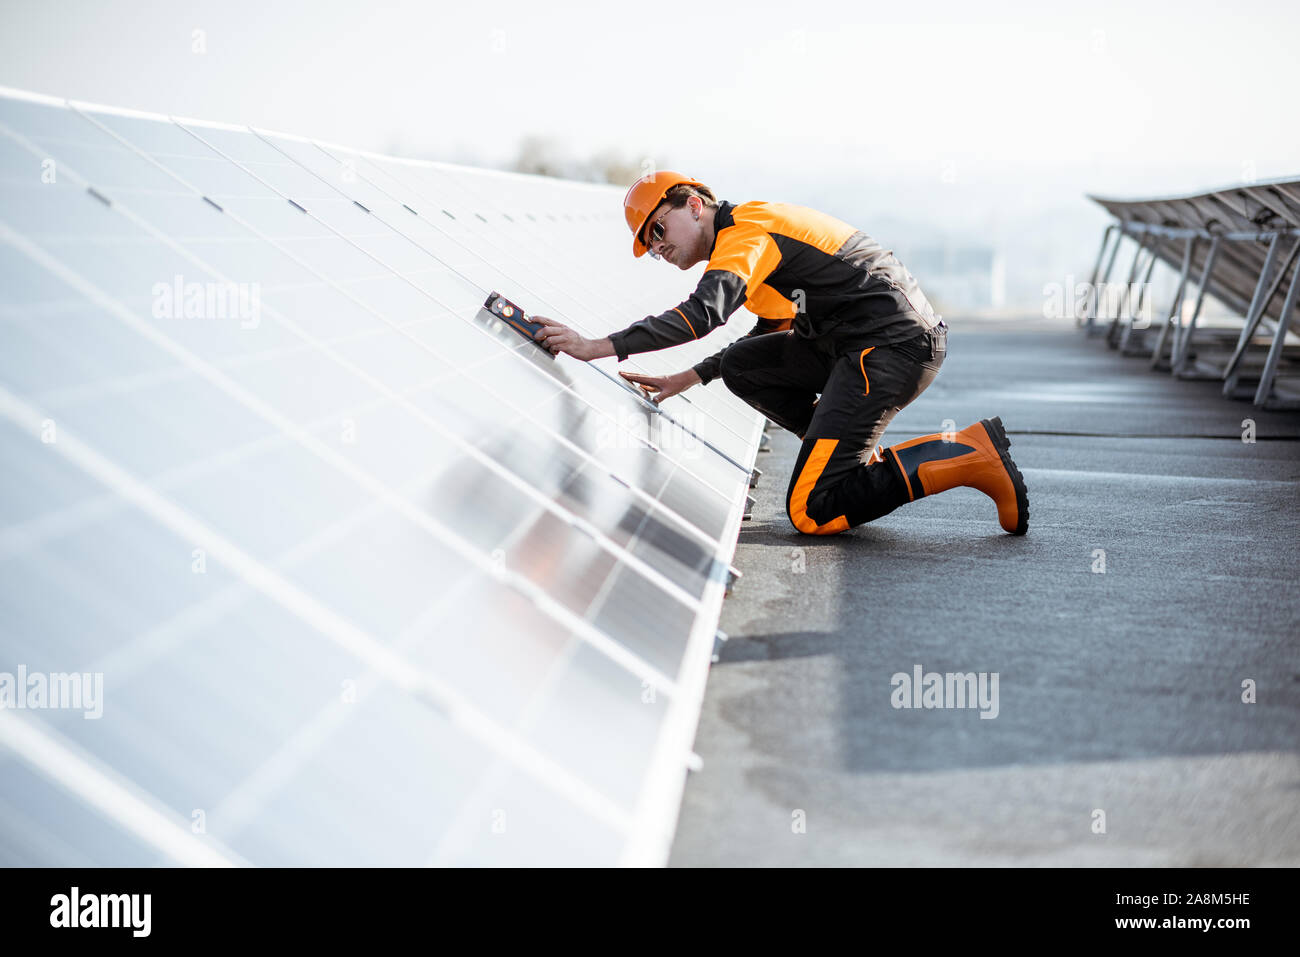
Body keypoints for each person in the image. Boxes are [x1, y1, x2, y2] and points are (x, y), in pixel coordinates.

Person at [533, 171, 1028, 536]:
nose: (657, 248)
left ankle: (965, 454)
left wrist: (595, 347)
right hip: (852, 344)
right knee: (739, 366)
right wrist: (690, 376)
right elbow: (768, 335)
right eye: (648, 245)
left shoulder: (747, 235)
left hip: (890, 347)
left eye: (657, 231)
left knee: (812, 510)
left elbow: (703, 313)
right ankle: (850, 457)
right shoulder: (750, 236)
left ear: (692, 205)